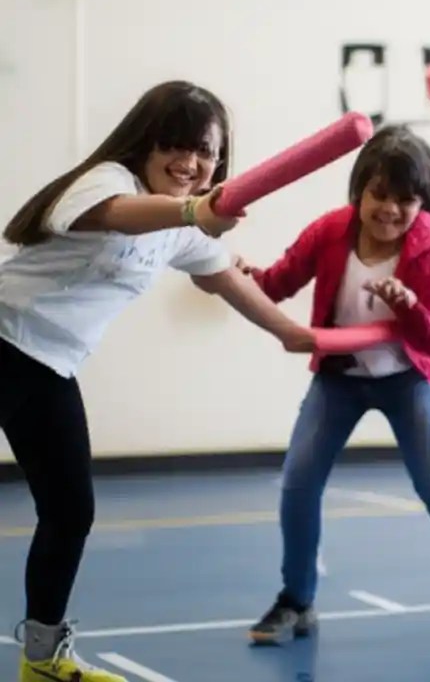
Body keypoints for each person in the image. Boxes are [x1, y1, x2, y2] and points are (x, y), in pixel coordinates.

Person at [0, 80, 315, 682]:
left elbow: (224, 280)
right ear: (145, 144)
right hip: (2, 336)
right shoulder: (109, 183)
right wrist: (196, 210)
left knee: (69, 511)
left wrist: (292, 334)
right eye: (175, 145)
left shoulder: (181, 224)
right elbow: (112, 215)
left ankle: (41, 660)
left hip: (49, 365)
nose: (189, 162)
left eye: (205, 152)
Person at [236, 125, 430, 644]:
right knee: (298, 481)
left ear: (420, 203)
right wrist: (245, 276)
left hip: (407, 378)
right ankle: (297, 600)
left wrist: (408, 306)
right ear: (360, 191)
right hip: (340, 378)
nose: (390, 210)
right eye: (380, 195)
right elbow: (279, 281)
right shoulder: (330, 230)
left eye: (405, 200)